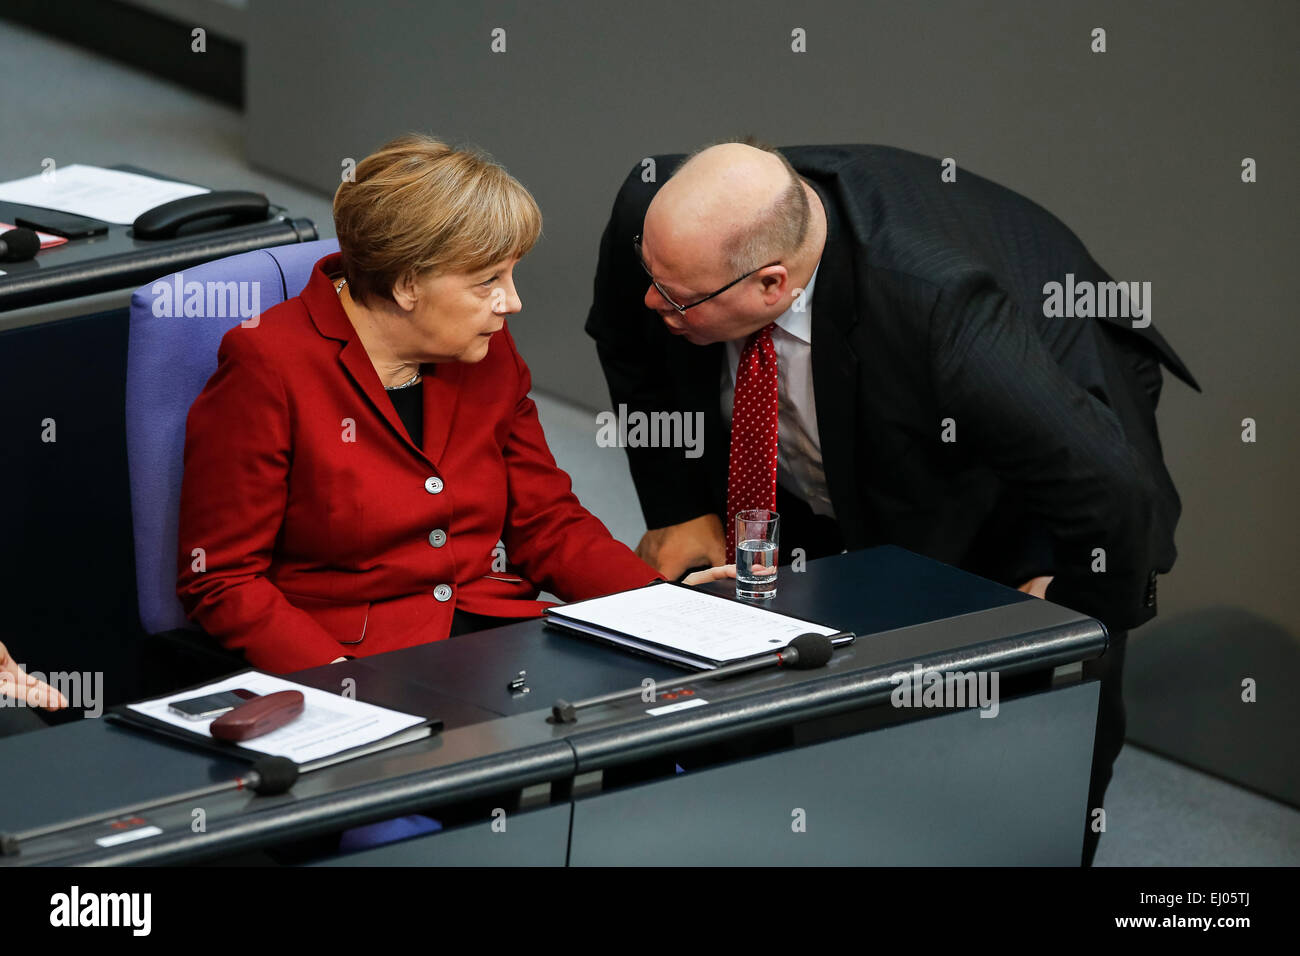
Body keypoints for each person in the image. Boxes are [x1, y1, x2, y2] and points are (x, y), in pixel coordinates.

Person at [585, 139, 1200, 865]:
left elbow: (1112, 491)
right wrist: (676, 506)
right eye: (652, 276)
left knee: (1032, 729)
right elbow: (628, 340)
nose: (653, 298)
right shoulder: (662, 220)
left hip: (1032, 446)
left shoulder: (938, 306)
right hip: (852, 432)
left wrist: (1075, 601)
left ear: (772, 284)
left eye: (678, 298)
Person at [177, 134, 731, 676]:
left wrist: (658, 607)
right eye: (488, 281)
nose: (512, 302)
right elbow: (222, 578)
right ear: (406, 285)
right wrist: (336, 682)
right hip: (361, 662)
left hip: (497, 638)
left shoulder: (484, 347)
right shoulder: (268, 366)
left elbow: (546, 522)